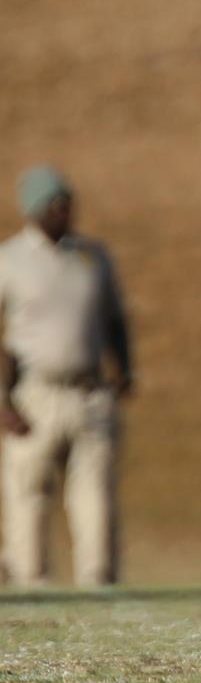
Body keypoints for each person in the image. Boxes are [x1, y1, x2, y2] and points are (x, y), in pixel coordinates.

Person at [0, 167, 133, 588]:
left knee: (95, 496)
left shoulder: (93, 257)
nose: (64, 212)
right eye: (55, 205)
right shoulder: (9, 260)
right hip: (34, 395)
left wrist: (124, 369)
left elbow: (115, 320)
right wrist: (3, 403)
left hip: (89, 393)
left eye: (67, 203)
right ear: (34, 209)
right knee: (28, 495)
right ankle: (31, 583)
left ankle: (98, 583)